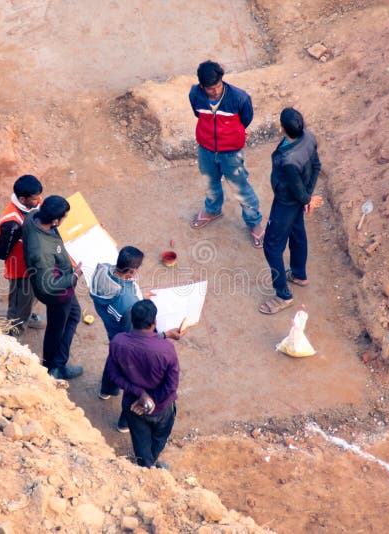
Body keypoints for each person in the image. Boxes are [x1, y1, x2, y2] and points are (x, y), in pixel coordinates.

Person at [90, 246, 182, 432]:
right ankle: (125, 423)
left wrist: (138, 296)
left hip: (112, 331)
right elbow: (135, 338)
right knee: (133, 378)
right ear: (131, 271)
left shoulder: (103, 270)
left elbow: (124, 297)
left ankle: (106, 390)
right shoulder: (128, 304)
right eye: (137, 269)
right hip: (125, 340)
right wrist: (165, 335)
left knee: (113, 362)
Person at [188, 60, 264, 248]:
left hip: (231, 153)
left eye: (217, 86)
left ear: (222, 80)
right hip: (206, 149)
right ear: (201, 86)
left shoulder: (239, 98)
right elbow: (198, 115)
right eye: (210, 88)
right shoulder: (195, 94)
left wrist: (231, 135)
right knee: (210, 183)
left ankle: (254, 222)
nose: (214, 91)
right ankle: (213, 210)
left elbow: (246, 119)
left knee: (241, 188)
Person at [260, 107, 324, 315]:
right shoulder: (310, 138)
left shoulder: (287, 160)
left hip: (286, 202)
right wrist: (307, 196)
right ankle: (298, 274)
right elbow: (316, 166)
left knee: (271, 246)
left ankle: (283, 295)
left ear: (282, 129)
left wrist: (307, 199)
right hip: (298, 199)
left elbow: (295, 188)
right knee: (297, 233)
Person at [106, 300, 179, 469]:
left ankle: (146, 463)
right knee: (160, 437)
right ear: (154, 323)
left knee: (140, 440)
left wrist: (139, 393)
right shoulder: (166, 349)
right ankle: (148, 468)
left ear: (132, 320)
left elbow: (113, 374)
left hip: (132, 406)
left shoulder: (118, 342)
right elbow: (171, 386)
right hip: (161, 407)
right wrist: (149, 399)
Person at [22, 195, 84, 380]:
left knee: (73, 316)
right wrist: (74, 276)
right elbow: (49, 285)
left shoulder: (32, 216)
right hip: (58, 294)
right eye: (64, 217)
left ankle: (57, 363)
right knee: (56, 329)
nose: (65, 220)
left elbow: (54, 244)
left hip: (62, 284)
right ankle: (53, 368)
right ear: (55, 221)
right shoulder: (41, 251)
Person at [0, 174, 46, 336]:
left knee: (33, 294)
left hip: (36, 265)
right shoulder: (12, 223)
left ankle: (26, 316)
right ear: (22, 199)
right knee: (19, 302)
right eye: (35, 199)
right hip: (21, 270)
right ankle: (12, 334)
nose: (39, 201)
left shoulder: (34, 205)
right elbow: (1, 251)